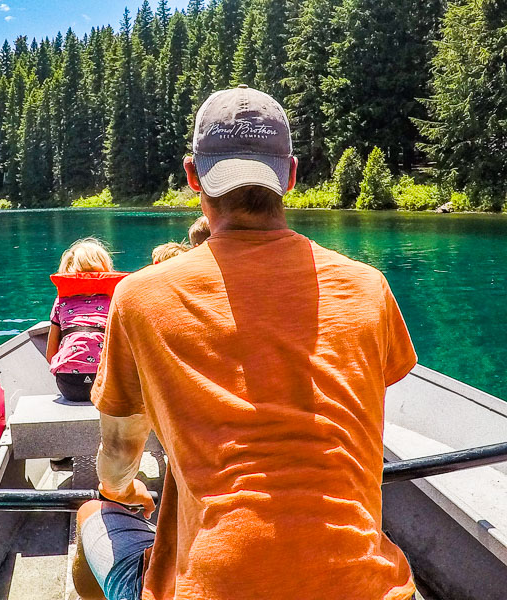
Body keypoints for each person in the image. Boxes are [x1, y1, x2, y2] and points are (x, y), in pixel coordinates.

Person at [73, 86, 418, 600]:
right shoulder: (368, 287)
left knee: (91, 515)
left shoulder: (139, 298)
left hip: (213, 589)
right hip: (375, 589)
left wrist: (120, 491)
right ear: (291, 177)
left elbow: (121, 449)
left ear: (193, 176)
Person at [46, 238, 127, 403]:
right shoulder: (115, 299)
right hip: (107, 383)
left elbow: (50, 354)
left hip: (69, 385)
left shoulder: (61, 301)